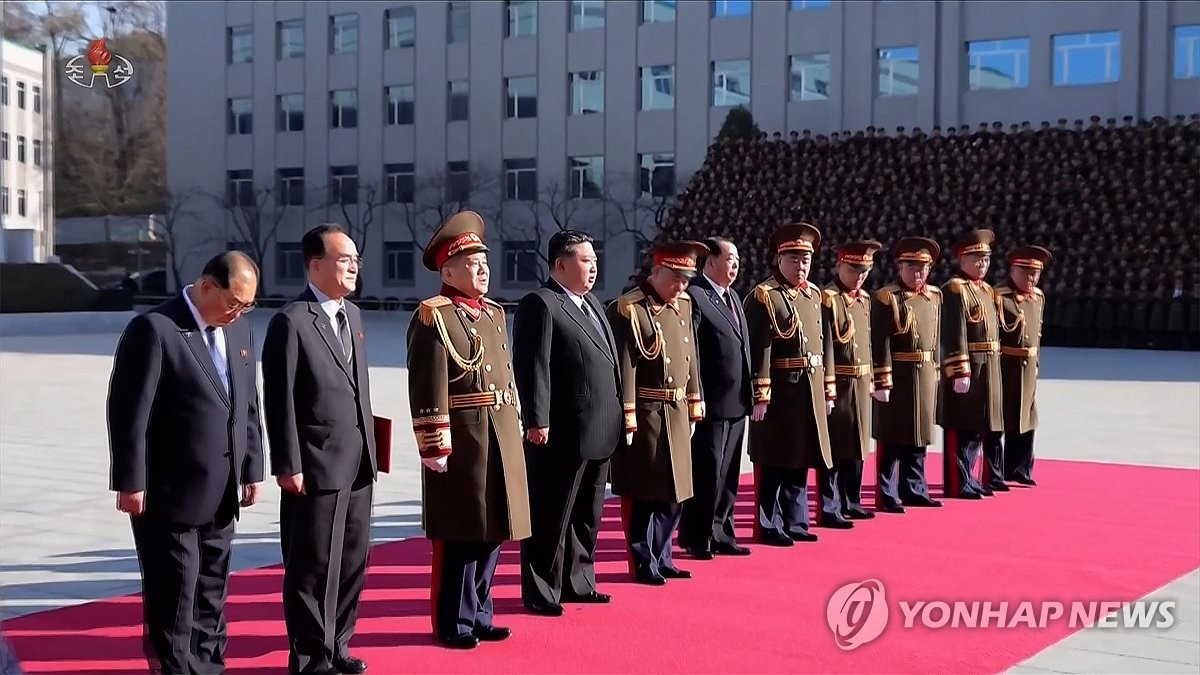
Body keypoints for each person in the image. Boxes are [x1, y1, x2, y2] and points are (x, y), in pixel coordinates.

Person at [106, 251, 264, 674]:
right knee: (174, 596)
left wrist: (252, 468)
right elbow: (128, 411)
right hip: (169, 492)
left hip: (223, 490)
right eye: (233, 301)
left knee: (212, 593)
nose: (238, 312)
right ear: (207, 285)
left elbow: (248, 405)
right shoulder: (156, 329)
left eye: (247, 305)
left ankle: (210, 666)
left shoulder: (240, 331)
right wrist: (130, 479)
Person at [406, 211, 531, 649]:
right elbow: (427, 383)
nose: (483, 271)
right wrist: (434, 443)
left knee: (493, 528)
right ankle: (453, 621)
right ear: (448, 271)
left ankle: (480, 612)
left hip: (499, 434)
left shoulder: (493, 313)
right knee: (461, 534)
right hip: (464, 440)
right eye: (473, 264)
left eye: (485, 263)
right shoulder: (433, 316)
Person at [262, 224, 377, 675]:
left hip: (359, 460)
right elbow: (279, 398)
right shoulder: (291, 321)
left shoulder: (355, 317)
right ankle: (311, 657)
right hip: (315, 463)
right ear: (316, 264)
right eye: (344, 258)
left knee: (353, 559)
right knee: (313, 565)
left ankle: (339, 643)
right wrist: (287, 463)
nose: (353, 266)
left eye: (356, 260)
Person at [513, 230, 621, 616]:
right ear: (560, 264)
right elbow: (533, 366)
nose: (593, 268)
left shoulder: (592, 303)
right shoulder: (542, 304)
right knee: (551, 514)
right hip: (560, 430)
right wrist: (536, 418)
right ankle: (542, 589)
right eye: (585, 261)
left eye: (594, 260)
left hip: (599, 427)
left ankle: (579, 581)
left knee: (587, 515)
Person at [606, 241, 707, 585]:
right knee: (643, 492)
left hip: (676, 409)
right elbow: (625, 367)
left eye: (686, 280)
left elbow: (689, 357)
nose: (681, 286)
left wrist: (695, 403)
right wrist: (628, 416)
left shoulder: (684, 305)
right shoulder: (630, 308)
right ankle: (642, 560)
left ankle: (663, 555)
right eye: (676, 278)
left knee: (673, 491)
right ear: (658, 271)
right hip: (648, 412)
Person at [744, 223, 835, 546]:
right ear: (779, 259)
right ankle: (769, 523)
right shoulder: (765, 296)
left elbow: (824, 346)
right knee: (775, 459)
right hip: (782, 391)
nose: (801, 267)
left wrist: (828, 387)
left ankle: (796, 520)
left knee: (801, 457)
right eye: (794, 260)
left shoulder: (814, 295)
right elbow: (759, 348)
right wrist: (760, 394)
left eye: (806, 260)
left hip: (808, 388)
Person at [679, 237, 752, 559]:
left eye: (737, 260)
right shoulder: (696, 295)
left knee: (729, 473)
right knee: (708, 472)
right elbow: (691, 349)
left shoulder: (733, 296)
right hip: (711, 400)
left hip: (736, 400)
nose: (735, 265)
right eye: (730, 259)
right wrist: (696, 395)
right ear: (710, 262)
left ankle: (722, 531)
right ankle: (698, 536)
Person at [871, 237, 945, 513]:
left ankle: (915, 488)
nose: (917, 274)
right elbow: (881, 343)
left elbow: (935, 338)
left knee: (919, 436)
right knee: (892, 436)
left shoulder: (934, 296)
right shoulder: (886, 298)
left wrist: (936, 369)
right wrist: (882, 380)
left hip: (924, 374)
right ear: (900, 268)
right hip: (899, 376)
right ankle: (886, 492)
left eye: (923, 268)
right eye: (911, 267)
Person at [817, 240, 882, 527]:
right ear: (839, 265)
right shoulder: (828, 298)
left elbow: (868, 343)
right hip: (840, 382)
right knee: (834, 446)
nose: (859, 276)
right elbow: (827, 346)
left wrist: (876, 380)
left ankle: (851, 500)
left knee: (857, 444)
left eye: (864, 271)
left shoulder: (864, 299)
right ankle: (830, 505)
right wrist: (828, 387)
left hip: (861, 380)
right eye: (854, 269)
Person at [939, 229, 1006, 500]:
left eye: (986, 259)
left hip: (987, 366)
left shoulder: (987, 290)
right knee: (960, 427)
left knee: (977, 427)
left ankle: (971, 478)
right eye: (976, 259)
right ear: (962, 261)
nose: (982, 265)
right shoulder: (955, 289)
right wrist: (959, 369)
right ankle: (958, 482)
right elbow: (953, 333)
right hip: (969, 367)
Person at [996, 245, 1053, 486]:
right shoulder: (1000, 297)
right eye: (1025, 272)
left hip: (1028, 366)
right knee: (1001, 419)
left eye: (1035, 274)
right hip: (1006, 366)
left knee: (1027, 417)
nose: (1031, 278)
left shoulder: (1038, 297)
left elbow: (1036, 335)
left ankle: (1020, 468)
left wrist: (1036, 363)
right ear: (1013, 270)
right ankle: (996, 471)